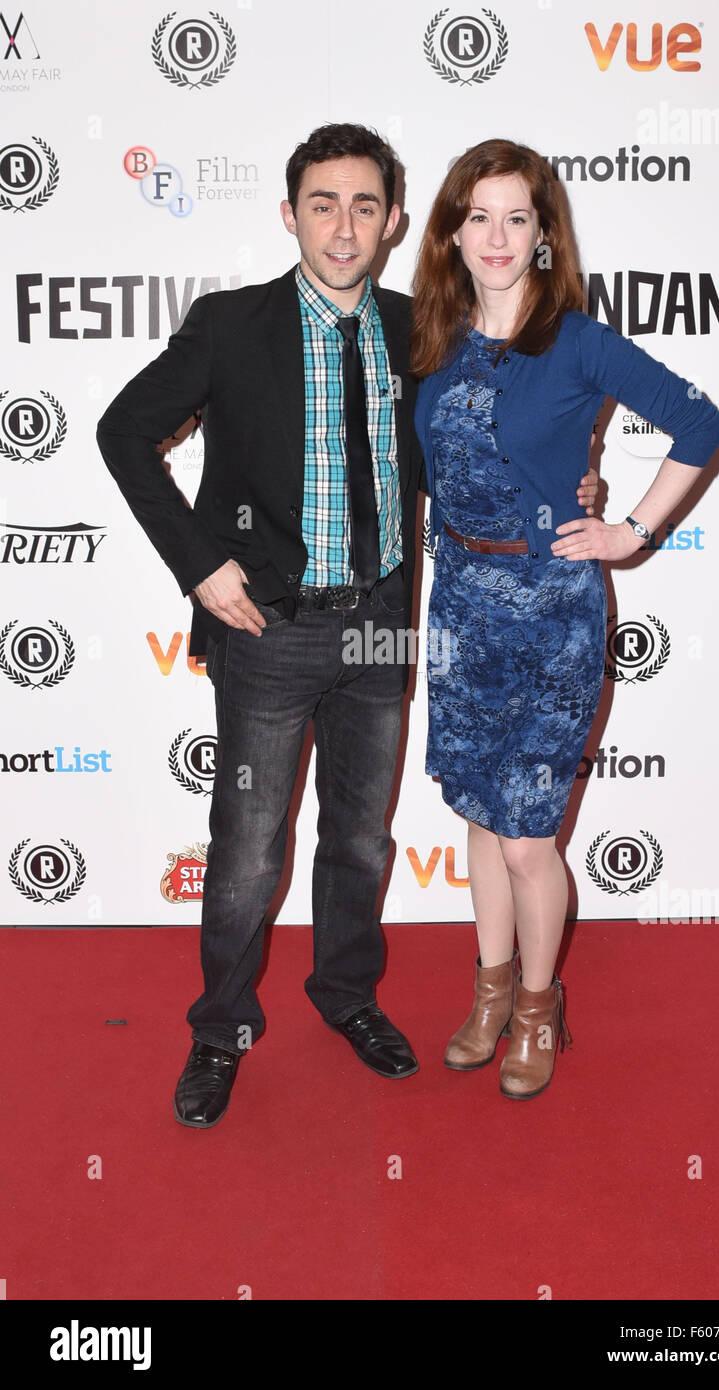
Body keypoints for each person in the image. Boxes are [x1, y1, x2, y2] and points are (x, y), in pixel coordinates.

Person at [97, 124, 599, 1129]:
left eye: (365, 205)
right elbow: (122, 430)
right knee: (246, 851)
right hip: (267, 629)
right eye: (322, 203)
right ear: (290, 215)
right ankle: (220, 1028)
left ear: (395, 221)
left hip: (382, 625)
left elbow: (496, 441)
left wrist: (575, 487)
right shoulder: (231, 325)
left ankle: (347, 997)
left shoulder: (428, 333)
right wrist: (200, 564)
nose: (344, 224)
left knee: (360, 842)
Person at [411, 139, 719, 1100]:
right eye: (479, 217)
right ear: (452, 234)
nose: (498, 236)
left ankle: (539, 1008)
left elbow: (702, 426)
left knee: (526, 836)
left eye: (518, 218)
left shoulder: (579, 341)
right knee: (477, 808)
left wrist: (630, 529)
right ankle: (490, 990)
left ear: (545, 236)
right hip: (461, 602)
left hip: (553, 615)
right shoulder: (428, 337)